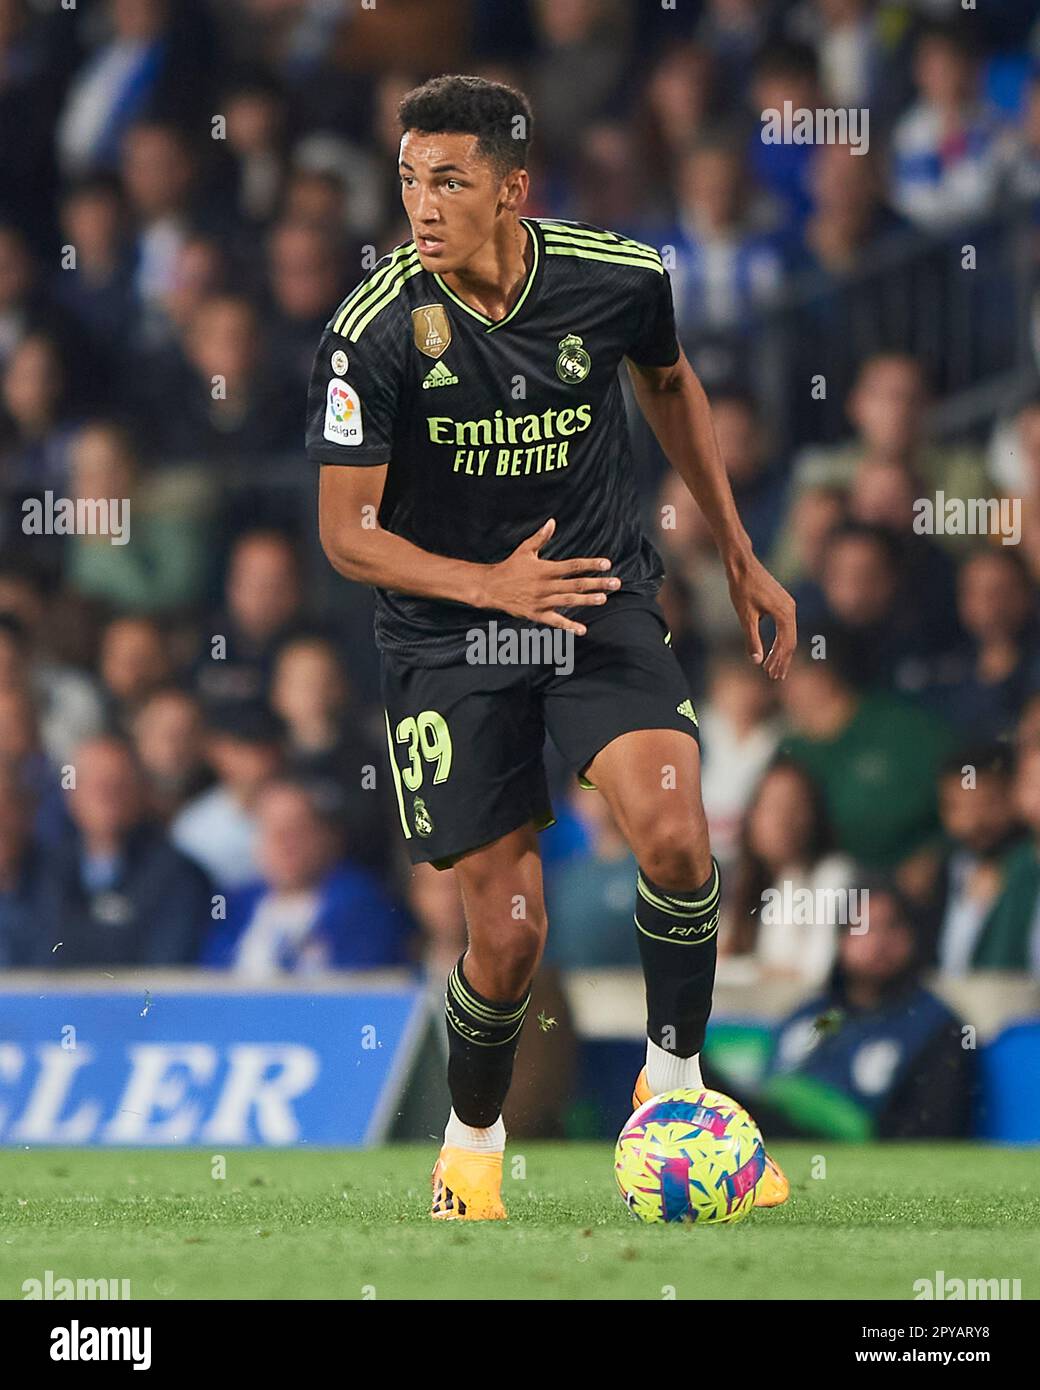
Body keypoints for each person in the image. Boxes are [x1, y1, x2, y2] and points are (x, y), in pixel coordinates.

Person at [309, 75, 796, 1220]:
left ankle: (671, 1095)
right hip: (444, 633)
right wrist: (485, 584)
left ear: (510, 189)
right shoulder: (373, 331)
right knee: (509, 938)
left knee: (676, 836)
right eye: (408, 180)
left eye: (450, 181)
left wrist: (731, 544)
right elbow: (345, 533)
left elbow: (669, 386)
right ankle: (470, 1145)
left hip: (588, 596)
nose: (421, 206)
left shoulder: (618, 278)